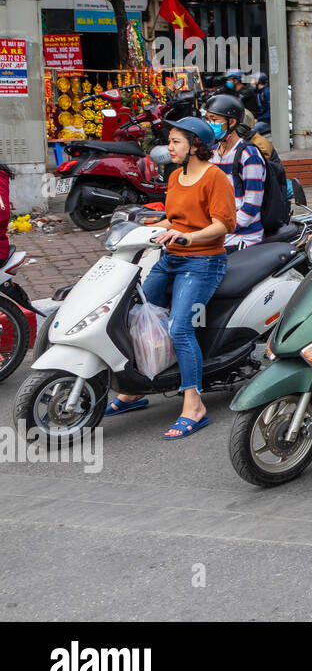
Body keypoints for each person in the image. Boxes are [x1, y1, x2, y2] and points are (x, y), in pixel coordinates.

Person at [106, 117, 236, 439]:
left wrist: (189, 239)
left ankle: (194, 404)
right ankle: (136, 389)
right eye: (171, 141)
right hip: (171, 259)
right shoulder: (176, 176)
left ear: (195, 145)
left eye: (176, 141)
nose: (169, 147)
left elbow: (223, 225)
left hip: (203, 263)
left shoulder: (215, 178)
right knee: (133, 312)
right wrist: (142, 229)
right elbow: (173, 219)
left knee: (179, 326)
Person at [203, 94, 267, 249]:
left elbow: (252, 204)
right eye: (207, 119)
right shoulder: (212, 153)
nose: (209, 124)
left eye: (214, 119)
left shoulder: (249, 155)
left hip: (242, 237)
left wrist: (221, 230)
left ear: (231, 122)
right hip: (219, 231)